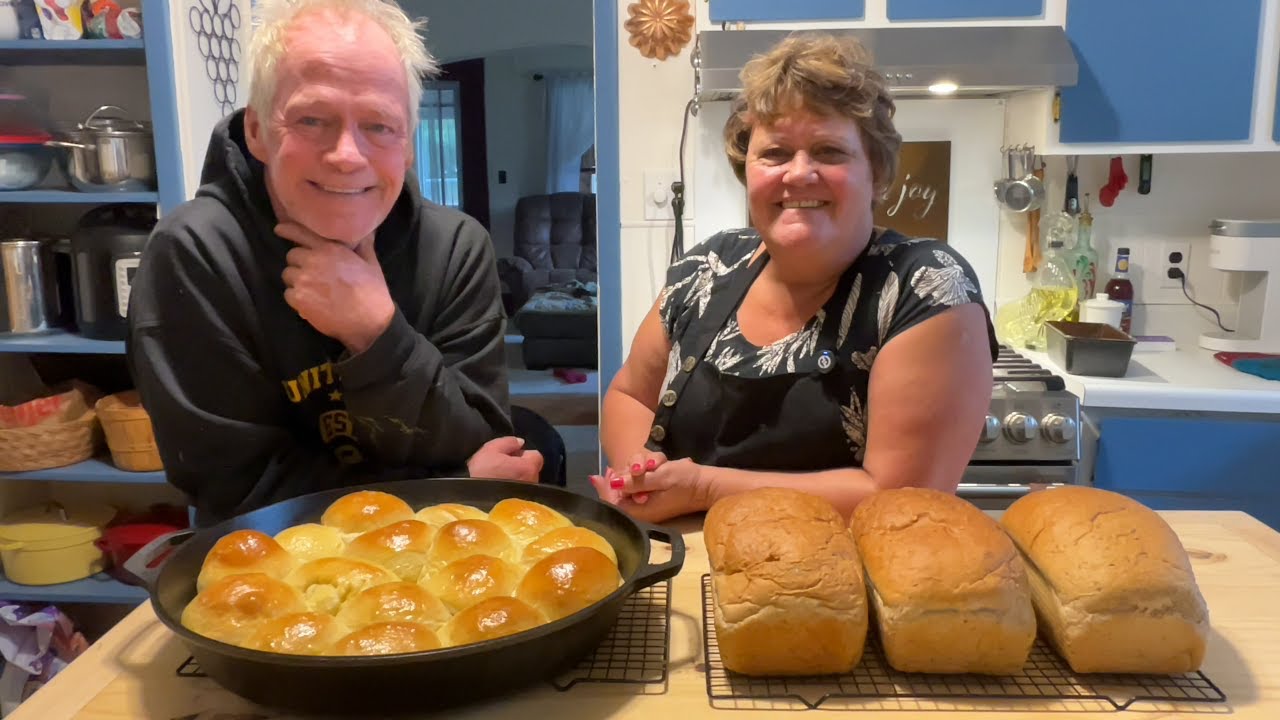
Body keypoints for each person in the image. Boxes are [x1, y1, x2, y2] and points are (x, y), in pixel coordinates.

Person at [127, 0, 541, 524]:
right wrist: (453, 490)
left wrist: (377, 333)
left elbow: (484, 440)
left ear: (409, 143)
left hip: (442, 558)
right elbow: (239, 496)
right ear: (257, 131)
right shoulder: (194, 254)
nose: (347, 154)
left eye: (380, 125)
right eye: (312, 119)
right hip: (276, 576)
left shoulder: (457, 247)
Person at [592, 33, 997, 523]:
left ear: (877, 173)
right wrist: (640, 470)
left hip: (840, 585)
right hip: (688, 567)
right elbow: (630, 393)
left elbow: (902, 495)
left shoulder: (925, 285)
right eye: (776, 153)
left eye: (828, 151)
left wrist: (702, 488)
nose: (798, 174)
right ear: (748, 169)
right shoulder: (709, 267)